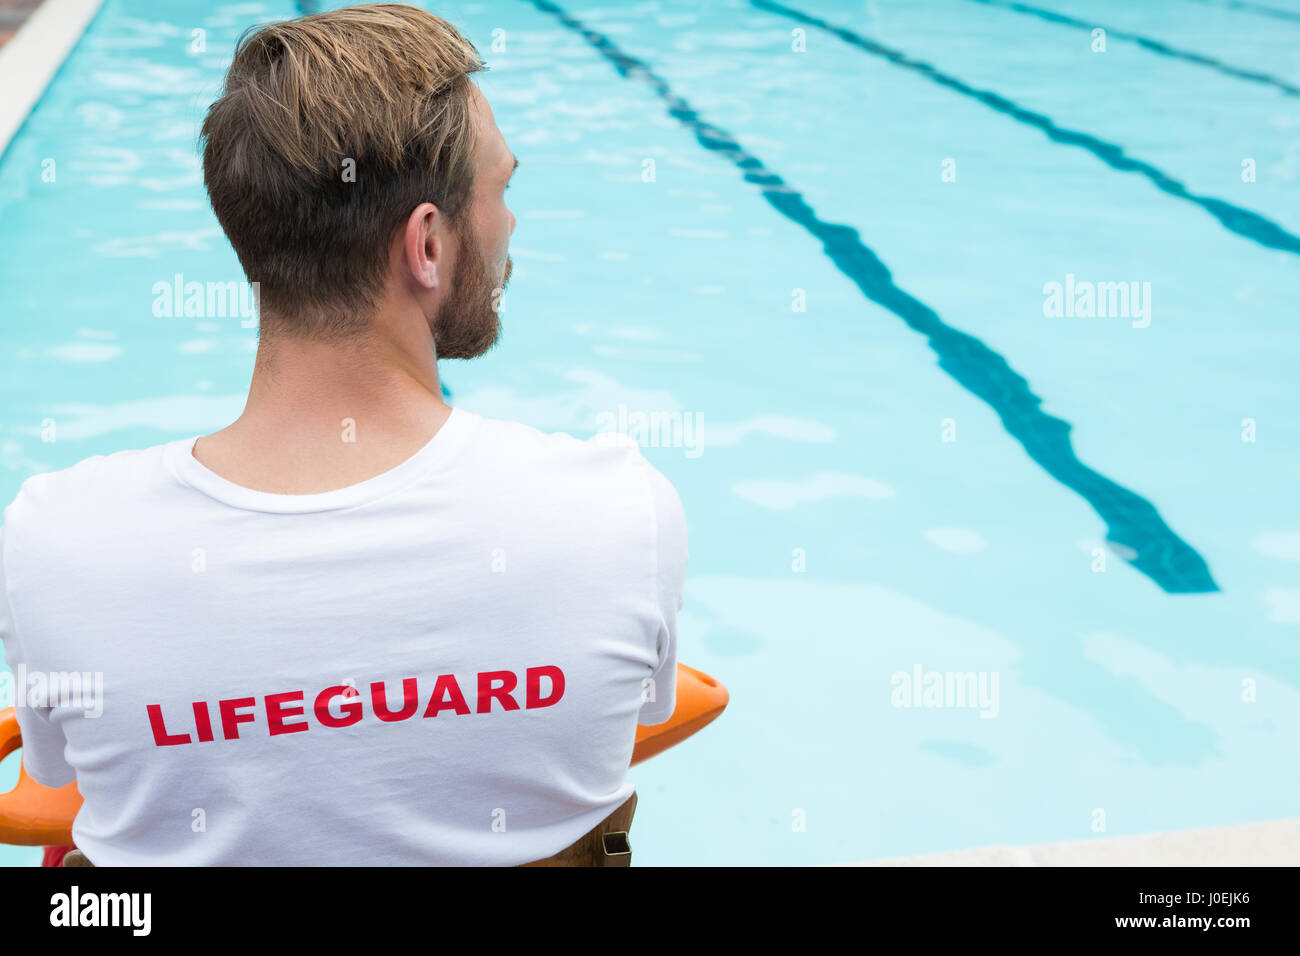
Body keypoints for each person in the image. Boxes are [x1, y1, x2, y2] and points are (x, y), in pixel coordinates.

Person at [0, 3, 685, 866]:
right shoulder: (616, 514)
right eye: (501, 190)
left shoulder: (59, 543)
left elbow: (62, 783)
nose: (511, 226)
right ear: (426, 243)